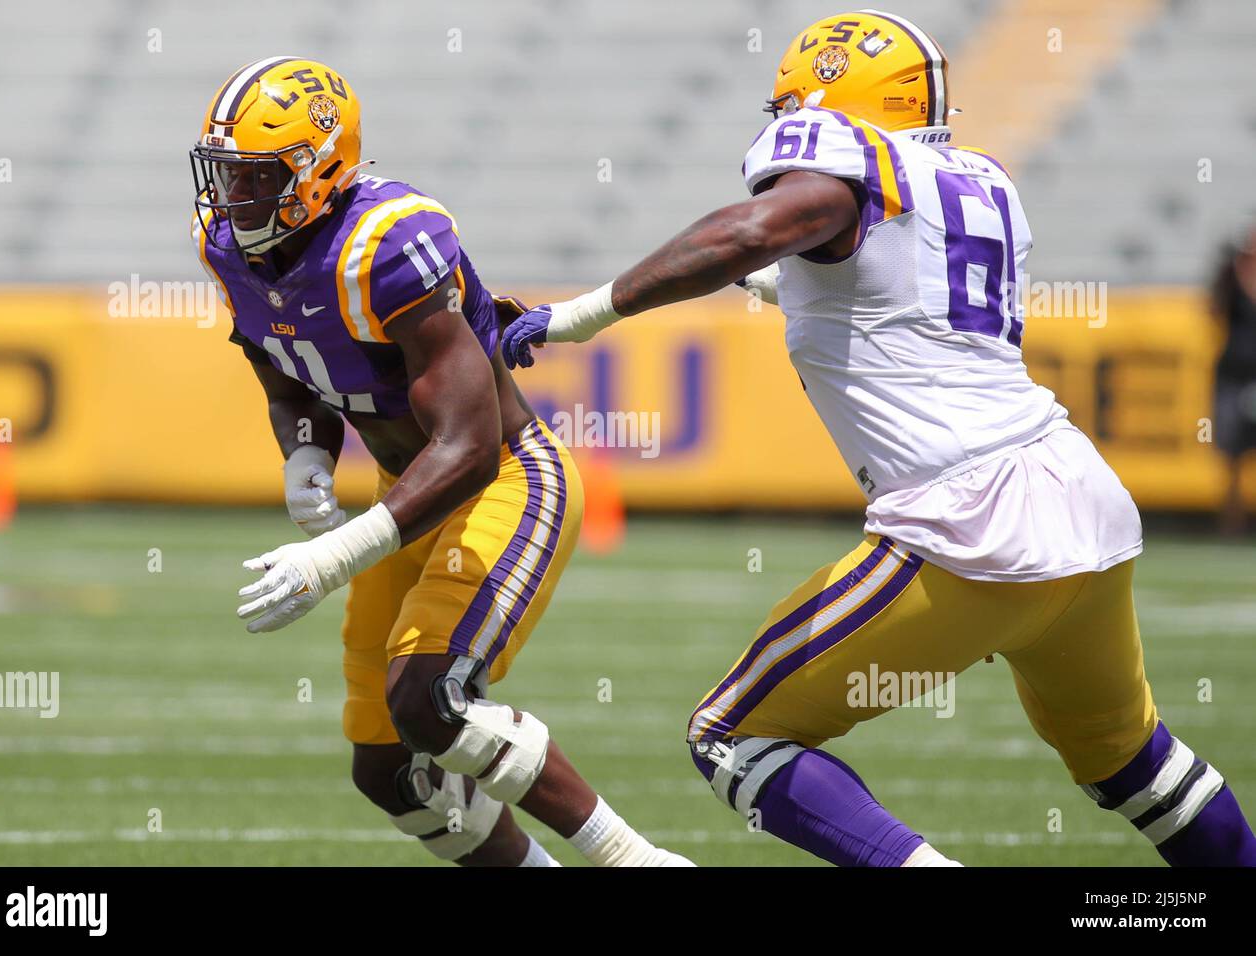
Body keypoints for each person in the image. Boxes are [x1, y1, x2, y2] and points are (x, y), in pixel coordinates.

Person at [502, 11, 1256, 866]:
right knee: (1137, 767)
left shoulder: (846, 176)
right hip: (1078, 499)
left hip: (968, 520)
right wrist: (782, 288)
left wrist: (581, 315)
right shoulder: (980, 177)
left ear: (831, 100)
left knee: (732, 734)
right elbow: (902, 300)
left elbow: (748, 232)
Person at [191, 57, 690, 867]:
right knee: (387, 767)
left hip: (503, 478)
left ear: (320, 171)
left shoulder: (386, 244)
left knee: (431, 700)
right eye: (226, 176)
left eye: (256, 178)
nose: (232, 199)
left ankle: (639, 862)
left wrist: (332, 557)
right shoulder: (229, 245)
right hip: (406, 489)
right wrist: (307, 448)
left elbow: (469, 443)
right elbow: (278, 358)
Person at [1210, 227, 1256, 535]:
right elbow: (1214, 309)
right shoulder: (1232, 279)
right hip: (1234, 372)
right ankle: (1232, 524)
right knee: (1232, 454)